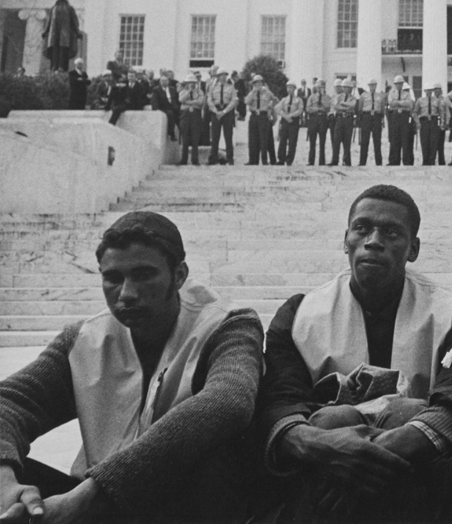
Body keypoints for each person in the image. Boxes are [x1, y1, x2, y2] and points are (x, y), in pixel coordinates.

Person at [0, 211, 264, 524]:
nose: (126, 294)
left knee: (215, 461)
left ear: (179, 275)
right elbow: (9, 403)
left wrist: (91, 495)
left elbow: (228, 402)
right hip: (92, 504)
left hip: (186, 509)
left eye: (143, 275)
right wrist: (5, 482)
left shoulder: (229, 325)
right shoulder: (84, 339)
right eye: (112, 278)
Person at [256, 185, 452, 522]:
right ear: (345, 239)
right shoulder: (300, 313)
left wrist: (370, 458)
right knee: (334, 421)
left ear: (414, 249)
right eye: (362, 228)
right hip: (326, 464)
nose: (374, 240)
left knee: (408, 414)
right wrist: (319, 445)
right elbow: (280, 397)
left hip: (416, 468)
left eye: (392, 232)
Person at [42, 0, 80, 72]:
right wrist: (45, 31)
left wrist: (77, 31)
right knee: (54, 50)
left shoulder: (69, 8)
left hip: (65, 33)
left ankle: (62, 67)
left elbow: (74, 21)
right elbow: (49, 21)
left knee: (63, 51)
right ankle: (54, 66)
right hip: (55, 32)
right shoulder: (53, 8)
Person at [207, 68, 237, 165]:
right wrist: (216, 111)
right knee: (215, 136)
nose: (223, 77)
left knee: (228, 136)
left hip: (227, 112)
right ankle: (213, 159)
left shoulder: (231, 87)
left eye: (225, 75)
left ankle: (230, 159)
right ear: (218, 77)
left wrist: (224, 111)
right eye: (221, 75)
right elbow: (209, 100)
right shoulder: (212, 87)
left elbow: (234, 101)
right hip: (216, 111)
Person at [414, 82, 448, 166]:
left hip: (434, 121)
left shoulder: (437, 101)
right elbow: (415, 112)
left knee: (433, 142)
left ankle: (432, 161)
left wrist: (441, 123)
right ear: (425, 91)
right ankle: (425, 161)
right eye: (427, 91)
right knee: (424, 142)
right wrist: (417, 123)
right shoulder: (420, 100)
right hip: (424, 122)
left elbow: (441, 113)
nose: (429, 92)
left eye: (430, 91)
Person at [245, 74, 276, 165]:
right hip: (254, 115)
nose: (258, 84)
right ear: (253, 84)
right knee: (253, 139)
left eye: (260, 82)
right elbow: (246, 101)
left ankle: (264, 160)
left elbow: (274, 99)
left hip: (263, 116)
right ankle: (253, 160)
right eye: (256, 83)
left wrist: (270, 107)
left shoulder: (267, 92)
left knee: (264, 139)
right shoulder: (252, 93)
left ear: (262, 83)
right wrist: (253, 92)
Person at [358, 78, 386, 166]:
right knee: (364, 140)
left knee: (377, 140)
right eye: (370, 85)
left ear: (376, 85)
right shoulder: (363, 95)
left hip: (376, 117)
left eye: (374, 85)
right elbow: (360, 107)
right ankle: (362, 162)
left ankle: (379, 162)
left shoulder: (380, 96)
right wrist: (361, 119)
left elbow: (382, 108)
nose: (372, 86)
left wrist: (382, 119)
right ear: (368, 86)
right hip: (366, 116)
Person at [178, 72, 204, 166]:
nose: (191, 84)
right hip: (185, 114)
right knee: (185, 137)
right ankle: (184, 159)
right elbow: (181, 100)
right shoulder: (183, 91)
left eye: (193, 82)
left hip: (195, 115)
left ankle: (195, 159)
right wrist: (189, 92)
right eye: (189, 82)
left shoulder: (200, 91)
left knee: (195, 137)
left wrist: (188, 102)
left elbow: (200, 102)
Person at [331, 78, 358, 167]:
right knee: (336, 140)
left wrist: (343, 104)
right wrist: (346, 106)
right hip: (339, 118)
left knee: (347, 140)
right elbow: (336, 106)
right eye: (345, 87)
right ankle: (335, 160)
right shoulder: (338, 97)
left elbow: (353, 105)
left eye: (348, 87)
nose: (346, 89)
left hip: (348, 119)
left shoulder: (353, 97)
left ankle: (346, 160)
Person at [277, 81, 304, 166]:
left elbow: (300, 110)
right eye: (288, 87)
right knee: (282, 140)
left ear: (294, 89)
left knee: (292, 141)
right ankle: (281, 159)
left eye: (291, 88)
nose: (289, 89)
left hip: (293, 121)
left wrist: (291, 115)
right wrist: (285, 116)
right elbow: (278, 109)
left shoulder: (298, 100)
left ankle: (289, 159)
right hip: (285, 121)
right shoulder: (284, 99)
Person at [305, 80, 332, 166]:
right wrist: (318, 109)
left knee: (322, 141)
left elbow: (328, 108)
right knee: (312, 141)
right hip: (313, 118)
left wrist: (322, 99)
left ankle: (322, 161)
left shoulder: (327, 97)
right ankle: (311, 160)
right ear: (316, 88)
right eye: (318, 87)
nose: (320, 89)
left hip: (323, 118)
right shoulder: (311, 97)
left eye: (322, 87)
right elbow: (308, 108)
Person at [151, 72, 180, 142]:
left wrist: (178, 107)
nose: (164, 82)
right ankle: (171, 133)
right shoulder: (156, 90)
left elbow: (177, 99)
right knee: (170, 114)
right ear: (160, 82)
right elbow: (154, 101)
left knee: (182, 116)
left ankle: (182, 137)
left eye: (165, 81)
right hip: (163, 108)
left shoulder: (172, 89)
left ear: (168, 81)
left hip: (173, 107)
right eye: (162, 81)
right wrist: (156, 109)